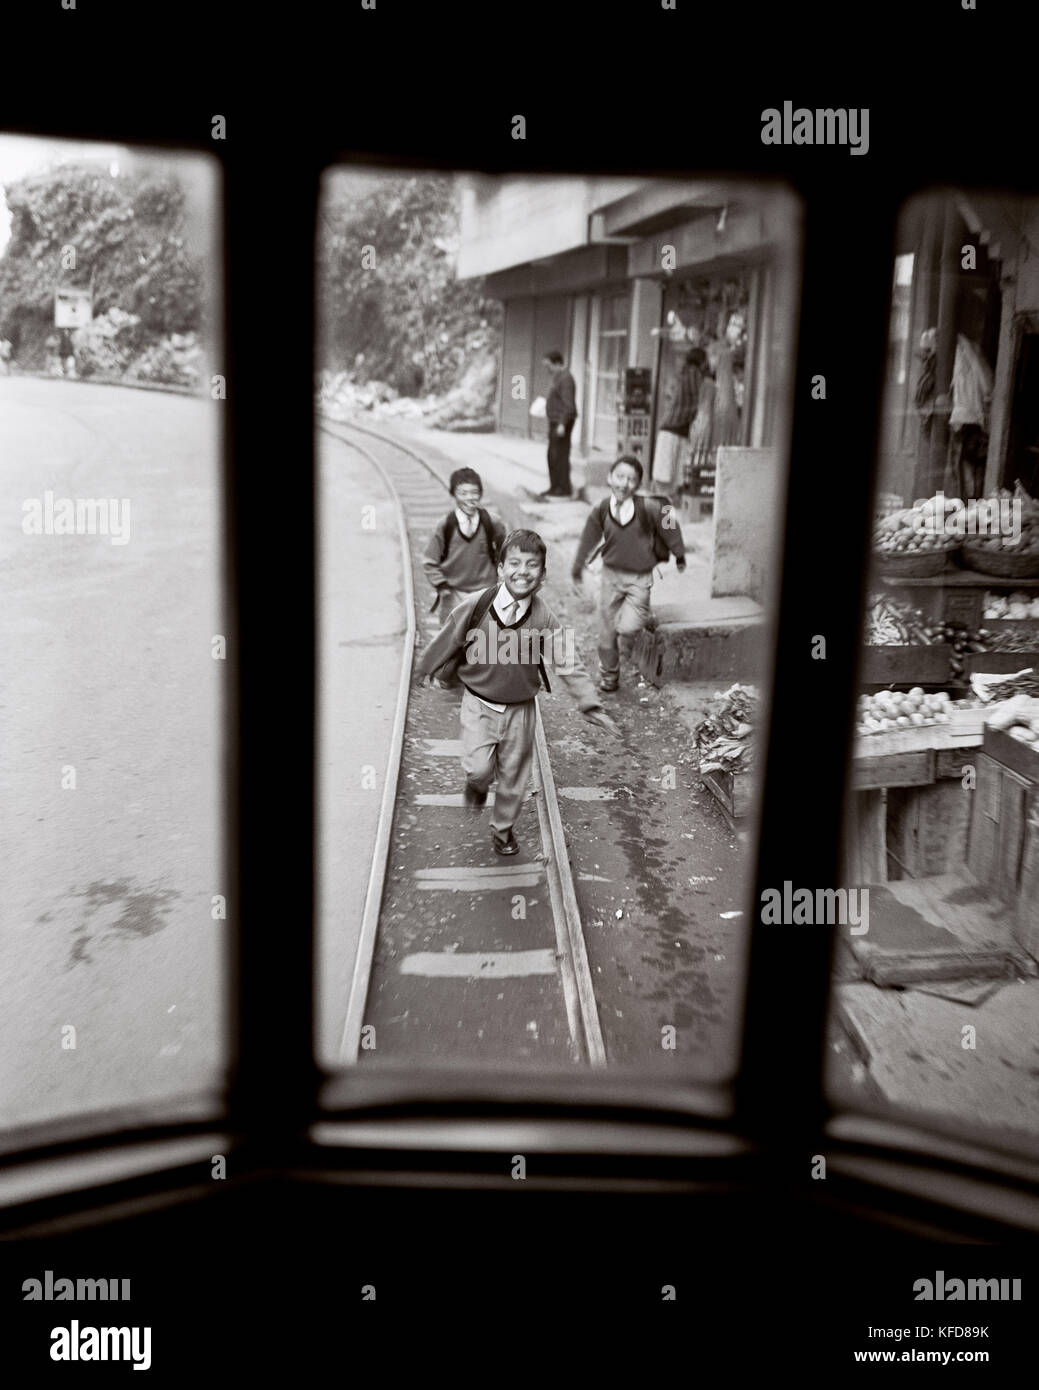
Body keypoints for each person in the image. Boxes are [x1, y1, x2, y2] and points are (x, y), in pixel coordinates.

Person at [414, 528, 617, 856]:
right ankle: (477, 784)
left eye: (532, 565)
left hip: (521, 711)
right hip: (478, 704)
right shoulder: (477, 604)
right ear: (500, 568)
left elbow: (567, 661)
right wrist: (424, 668)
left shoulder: (543, 616)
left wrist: (588, 702)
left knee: (514, 778)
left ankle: (503, 830)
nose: (523, 572)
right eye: (515, 563)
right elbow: (448, 637)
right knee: (478, 768)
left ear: (543, 574)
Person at [571, 455, 687, 693]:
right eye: (620, 477)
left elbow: (670, 524)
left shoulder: (649, 507)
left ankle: (641, 615)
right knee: (606, 631)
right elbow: (588, 538)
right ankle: (609, 675)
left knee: (628, 628)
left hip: (639, 579)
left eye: (631, 479)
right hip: (610, 577)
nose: (624, 484)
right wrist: (577, 567)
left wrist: (679, 552)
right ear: (609, 478)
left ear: (638, 485)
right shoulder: (602, 509)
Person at [422, 468, 506, 616]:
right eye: (463, 493)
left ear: (480, 494)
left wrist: (503, 579)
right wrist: (441, 584)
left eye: (474, 492)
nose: (469, 498)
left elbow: (505, 552)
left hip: (486, 592)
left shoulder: (492, 522)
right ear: (453, 495)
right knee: (453, 635)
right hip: (454, 593)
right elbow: (430, 560)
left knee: (485, 635)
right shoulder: (446, 525)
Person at [541, 350, 578, 499]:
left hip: (561, 423)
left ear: (557, 364)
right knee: (553, 455)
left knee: (559, 455)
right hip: (555, 422)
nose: (547, 369)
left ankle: (562, 488)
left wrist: (562, 424)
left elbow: (569, 406)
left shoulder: (566, 379)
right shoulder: (558, 378)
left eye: (549, 366)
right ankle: (555, 486)